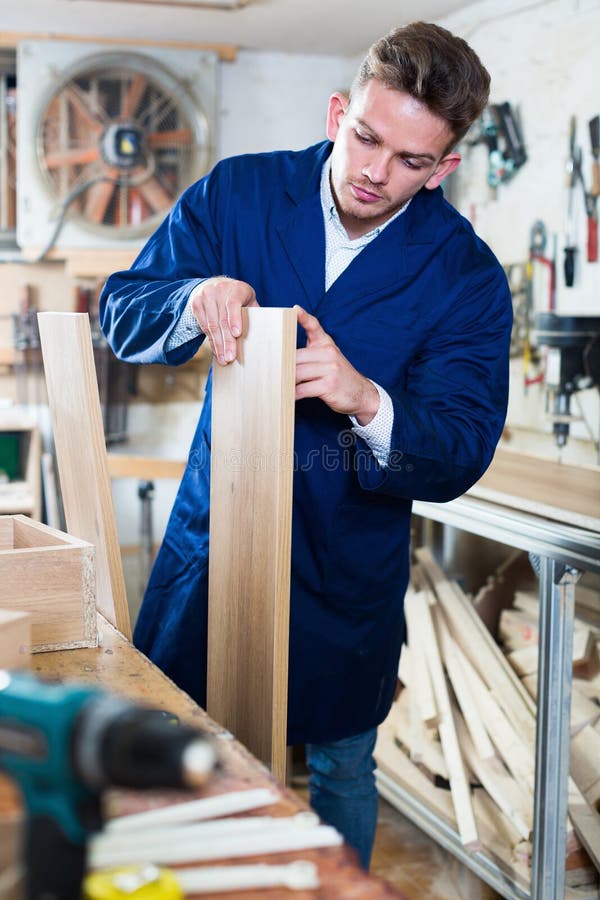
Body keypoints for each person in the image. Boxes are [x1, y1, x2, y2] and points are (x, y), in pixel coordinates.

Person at [99, 21, 512, 870]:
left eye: (410, 161)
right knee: (183, 753)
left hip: (345, 562)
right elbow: (121, 312)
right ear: (336, 114)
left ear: (443, 169)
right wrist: (192, 297)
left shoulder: (466, 275)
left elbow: (462, 447)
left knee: (342, 764)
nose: (374, 172)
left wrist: (365, 399)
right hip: (216, 546)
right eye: (365, 137)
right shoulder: (239, 194)